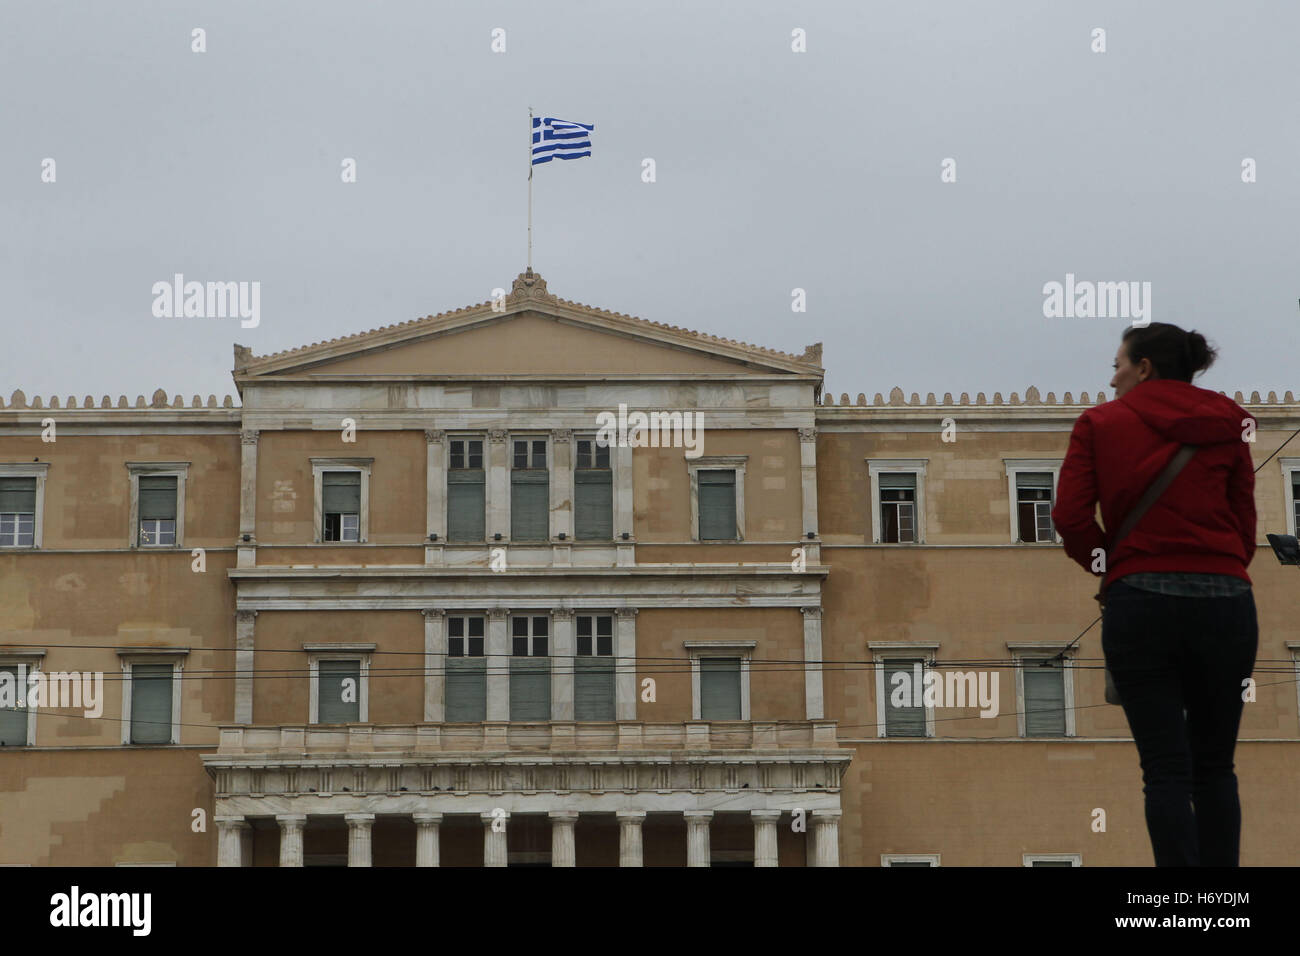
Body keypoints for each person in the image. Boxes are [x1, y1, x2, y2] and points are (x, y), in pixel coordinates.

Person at [1052, 322, 1258, 866]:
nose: (1113, 376)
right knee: (1215, 766)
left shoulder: (1099, 423)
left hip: (1140, 599)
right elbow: (1243, 520)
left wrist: (1109, 563)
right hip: (1227, 602)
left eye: (1118, 364)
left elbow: (1070, 517)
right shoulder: (1229, 423)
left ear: (1144, 367)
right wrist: (1222, 566)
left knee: (1165, 768)